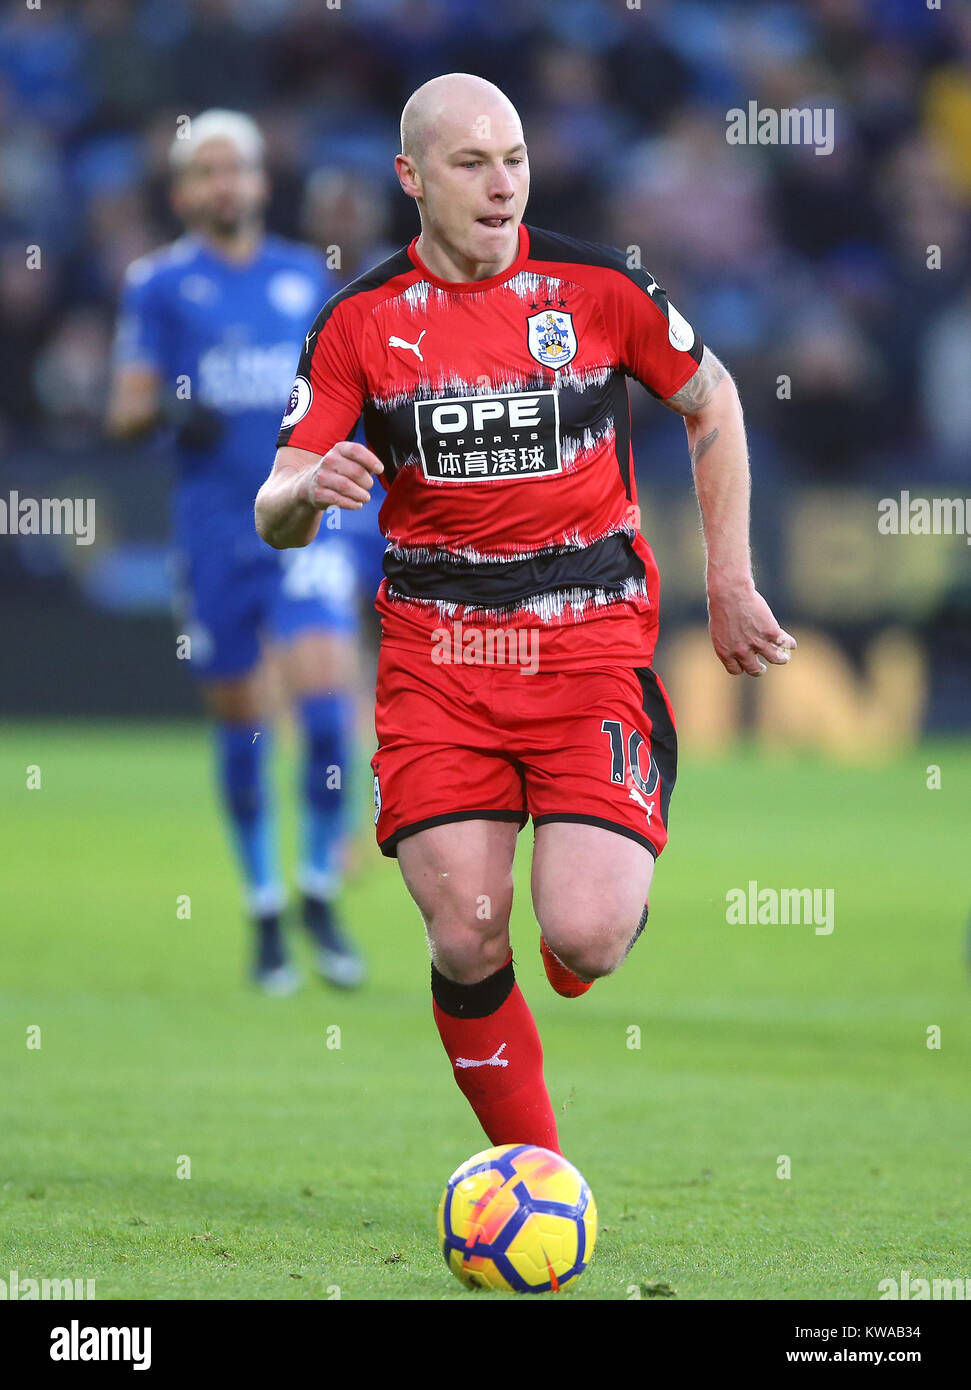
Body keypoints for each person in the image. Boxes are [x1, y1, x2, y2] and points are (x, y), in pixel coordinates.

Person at [255, 74, 795, 1148]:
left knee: (585, 939)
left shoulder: (595, 288)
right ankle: (535, 1175)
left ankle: (580, 922)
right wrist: (306, 494)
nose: (502, 186)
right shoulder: (358, 323)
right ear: (412, 178)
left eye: (514, 160)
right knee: (464, 935)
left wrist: (727, 579)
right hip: (436, 659)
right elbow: (273, 502)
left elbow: (712, 398)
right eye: (471, 165)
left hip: (587, 639)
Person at [108, 110, 369, 994]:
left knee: (328, 713)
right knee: (241, 723)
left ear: (261, 182)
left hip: (304, 522)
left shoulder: (307, 280)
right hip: (215, 531)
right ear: (184, 191)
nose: (225, 185)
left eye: (239, 169)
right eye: (207, 172)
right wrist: (175, 410)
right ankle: (263, 905)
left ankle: (320, 891)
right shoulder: (157, 285)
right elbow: (124, 409)